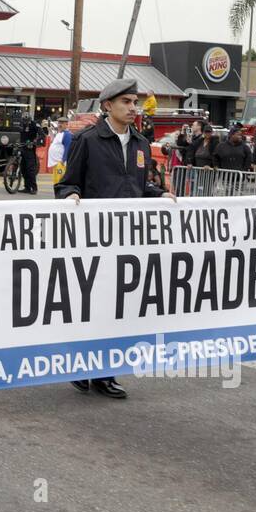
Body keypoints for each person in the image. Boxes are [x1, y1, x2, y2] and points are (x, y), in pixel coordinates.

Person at [56, 78, 174, 398]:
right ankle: (82, 366)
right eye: (126, 102)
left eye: (135, 102)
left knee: (118, 307)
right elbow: (67, 184)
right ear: (107, 105)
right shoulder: (88, 140)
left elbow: (138, 187)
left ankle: (106, 373)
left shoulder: (138, 143)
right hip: (94, 238)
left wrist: (159, 194)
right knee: (91, 305)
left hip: (128, 238)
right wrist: (70, 197)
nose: (133, 108)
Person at [19, 112, 42, 193]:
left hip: (30, 149)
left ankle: (34, 188)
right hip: (22, 147)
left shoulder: (34, 125)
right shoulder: (21, 124)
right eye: (24, 120)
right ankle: (27, 187)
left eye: (27, 121)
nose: (25, 122)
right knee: (23, 169)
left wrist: (35, 141)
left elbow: (41, 135)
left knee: (30, 169)